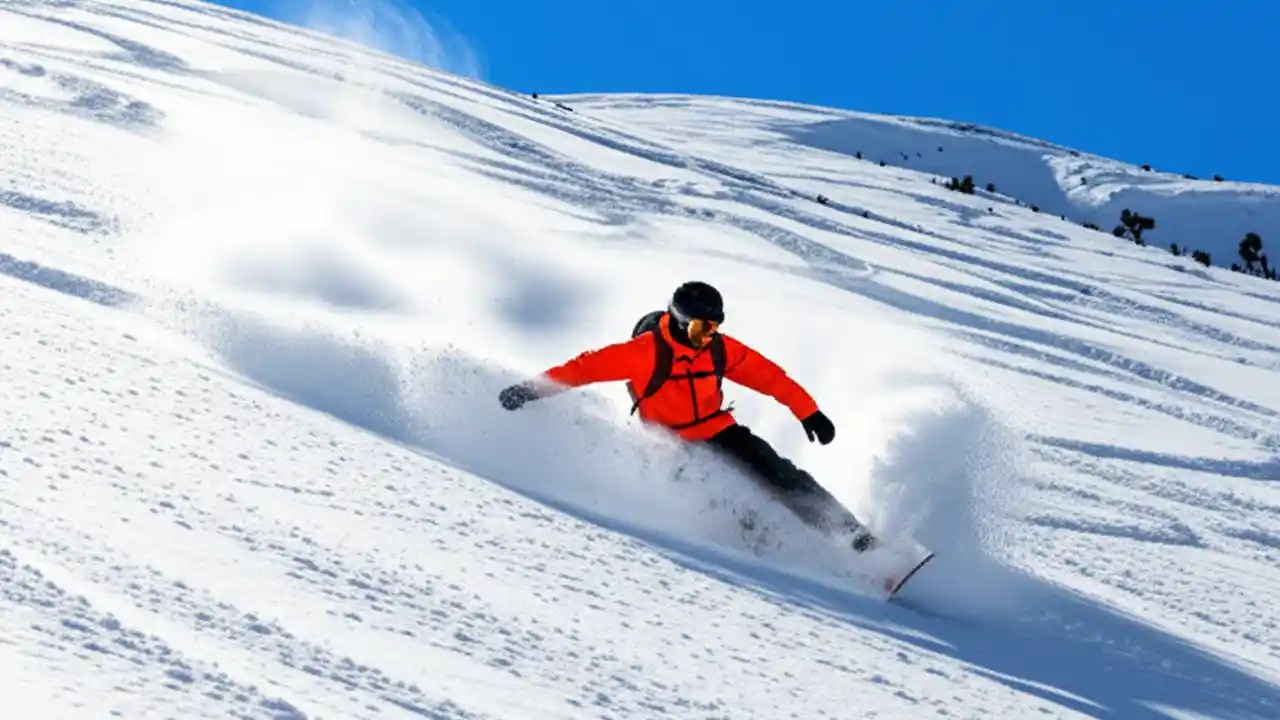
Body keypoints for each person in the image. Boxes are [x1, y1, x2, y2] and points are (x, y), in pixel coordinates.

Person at [499, 281, 877, 552]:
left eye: (715, 327)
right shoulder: (644, 352)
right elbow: (581, 369)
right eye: (701, 327)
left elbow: (769, 376)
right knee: (722, 498)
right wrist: (531, 390)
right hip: (668, 442)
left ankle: (855, 539)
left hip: (717, 428)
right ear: (681, 321)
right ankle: (761, 550)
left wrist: (808, 412)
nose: (709, 335)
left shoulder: (718, 349)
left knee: (781, 474)